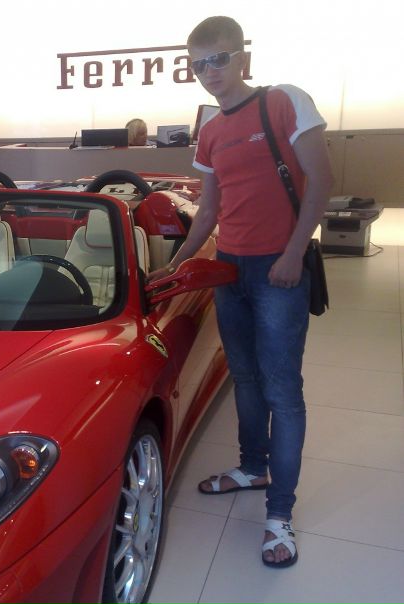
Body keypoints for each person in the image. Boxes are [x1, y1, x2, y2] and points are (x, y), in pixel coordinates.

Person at [148, 16, 333, 567]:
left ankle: (280, 515)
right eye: (198, 64)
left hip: (280, 271)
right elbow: (208, 211)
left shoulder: (284, 102)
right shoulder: (210, 130)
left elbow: (322, 180)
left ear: (242, 58)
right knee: (245, 378)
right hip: (229, 270)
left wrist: (294, 253)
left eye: (218, 59)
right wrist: (174, 266)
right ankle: (253, 467)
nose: (209, 72)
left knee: (282, 391)